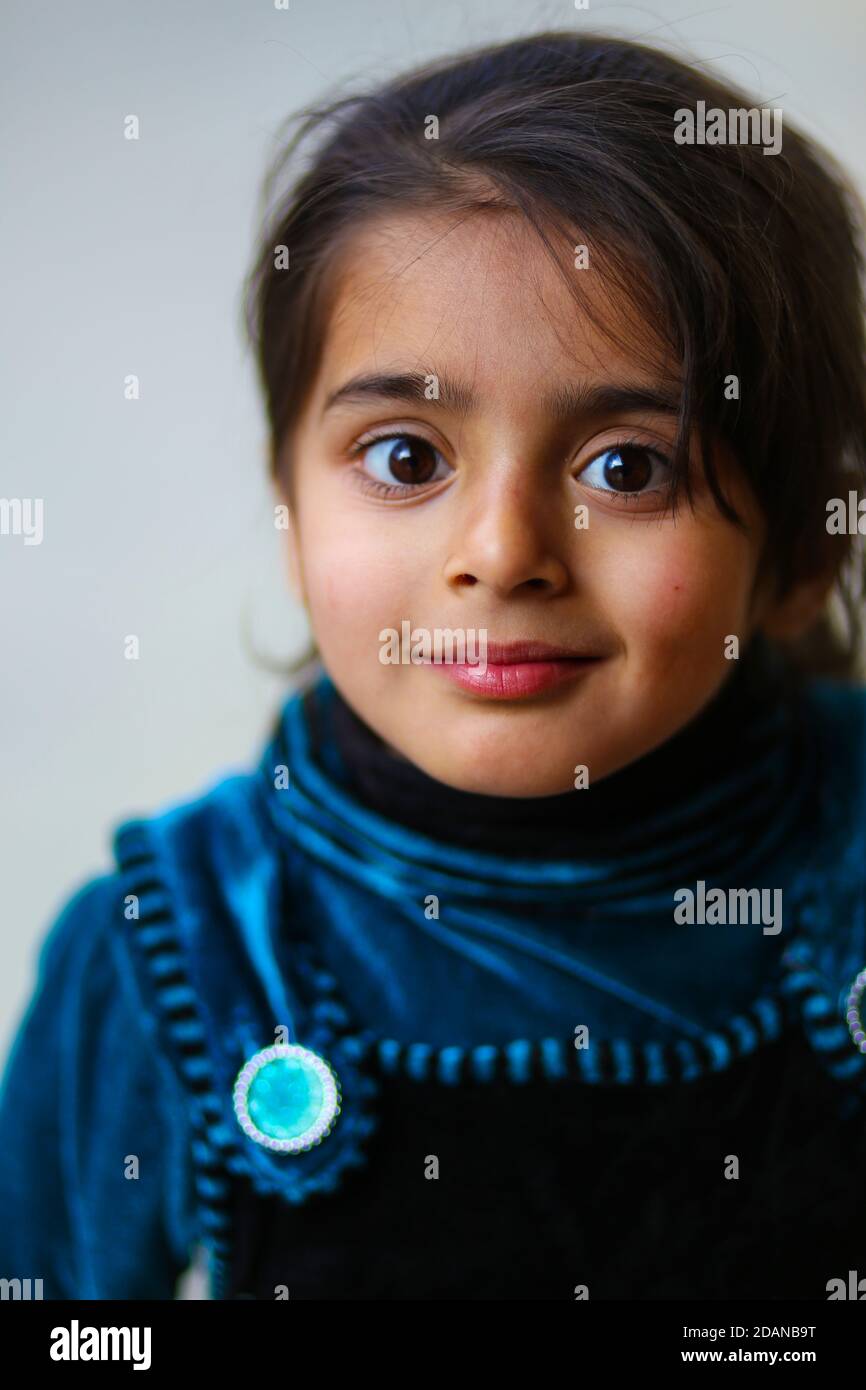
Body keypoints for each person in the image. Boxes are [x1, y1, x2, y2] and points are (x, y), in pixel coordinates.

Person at [2, 29, 866, 1300]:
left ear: (799, 551)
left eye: (627, 466)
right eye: (405, 457)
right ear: (290, 512)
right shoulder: (175, 952)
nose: (501, 552)